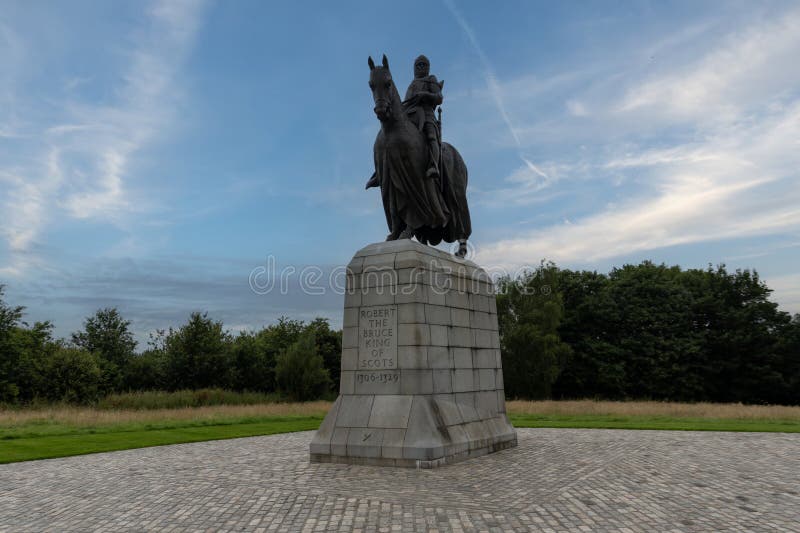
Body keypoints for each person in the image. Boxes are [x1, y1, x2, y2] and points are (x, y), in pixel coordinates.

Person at [403, 54, 443, 180]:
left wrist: (425, 95)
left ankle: (434, 165)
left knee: (431, 135)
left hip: (426, 114)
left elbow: (439, 97)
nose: (420, 67)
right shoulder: (412, 84)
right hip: (410, 114)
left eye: (423, 64)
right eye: (418, 65)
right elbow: (406, 102)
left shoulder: (431, 79)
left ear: (428, 67)